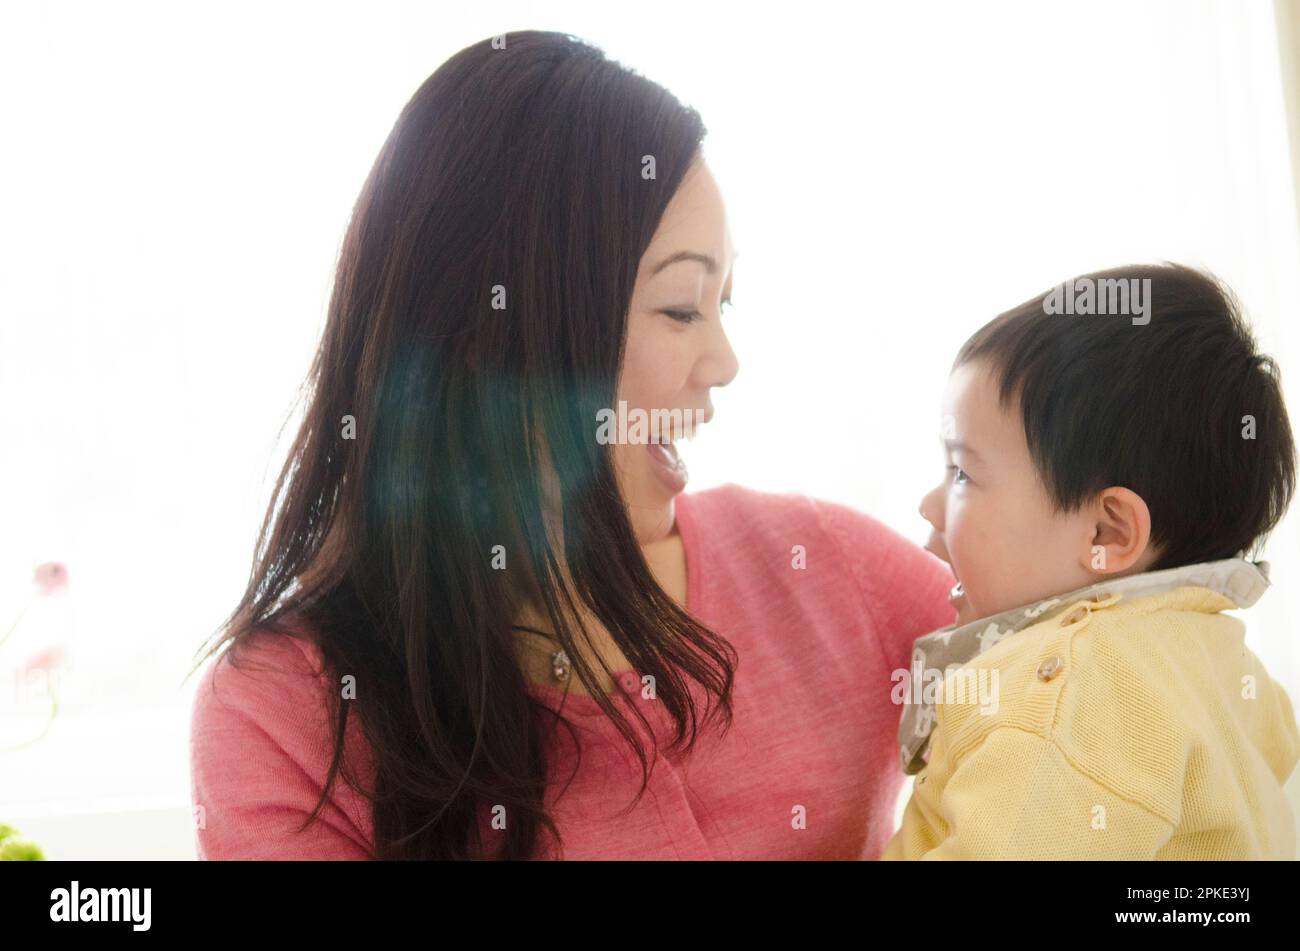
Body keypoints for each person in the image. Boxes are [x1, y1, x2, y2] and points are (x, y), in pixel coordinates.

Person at [188, 30, 954, 860]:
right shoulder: (281, 715)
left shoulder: (825, 565)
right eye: (679, 308)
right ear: (495, 333)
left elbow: (1097, 659)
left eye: (722, 305)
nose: (725, 365)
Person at [885, 263, 1300, 859]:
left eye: (962, 474)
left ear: (1107, 531)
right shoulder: (1217, 660)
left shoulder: (1061, 693)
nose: (931, 506)